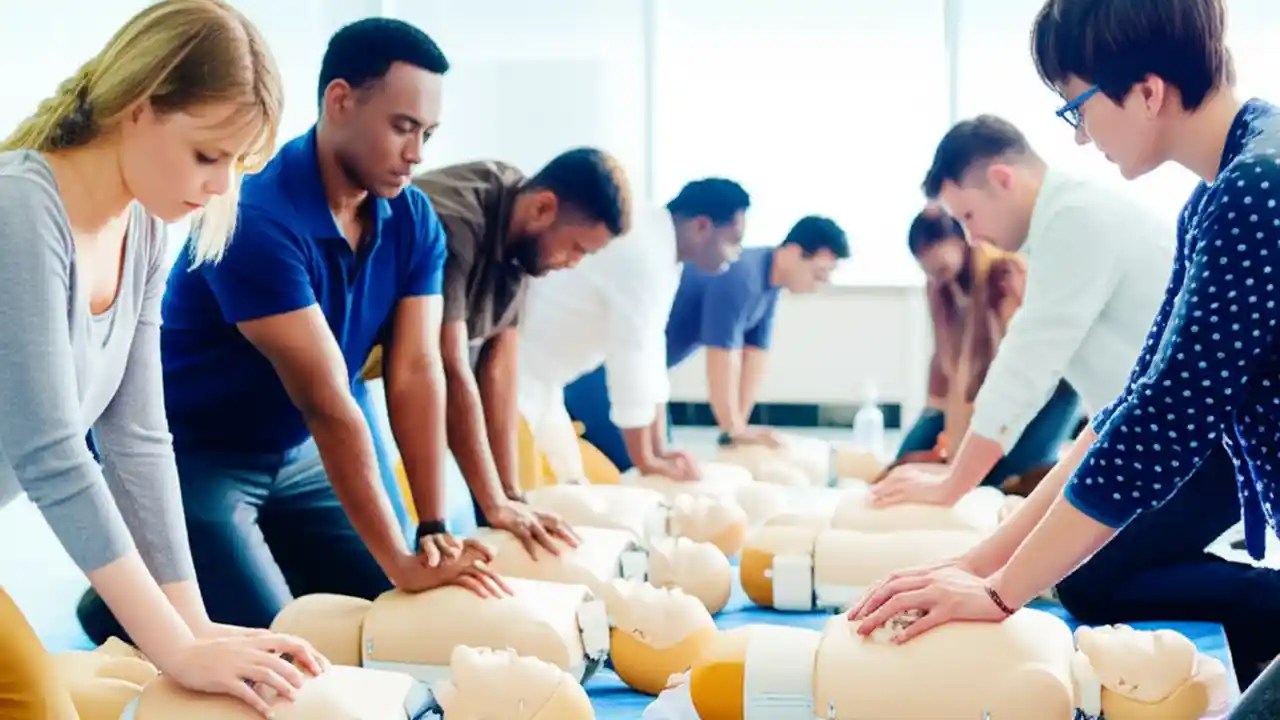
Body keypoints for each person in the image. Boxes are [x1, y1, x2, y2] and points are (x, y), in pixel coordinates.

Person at [851, 0, 1280, 689]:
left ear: (1146, 91)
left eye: (1075, 106)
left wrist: (998, 591)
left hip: (1207, 464)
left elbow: (1162, 424)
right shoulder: (1215, 196)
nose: (1079, 136)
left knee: (1093, 579)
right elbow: (1130, 407)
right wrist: (980, 566)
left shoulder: (1254, 189)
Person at [76, 18, 510, 646]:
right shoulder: (256, 217)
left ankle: (245, 554)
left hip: (301, 455)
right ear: (340, 101)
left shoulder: (414, 217)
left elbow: (415, 371)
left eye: (428, 134)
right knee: (281, 644)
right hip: (197, 457)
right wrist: (400, 560)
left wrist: (429, 531)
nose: (417, 154)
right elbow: (329, 400)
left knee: (390, 612)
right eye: (401, 127)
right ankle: (123, 600)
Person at [0, 1, 324, 717]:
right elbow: (53, 454)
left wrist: (193, 626)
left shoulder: (144, 225)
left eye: (236, 165)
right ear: (139, 110)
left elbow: (138, 439)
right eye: (208, 155)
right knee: (38, 705)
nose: (219, 187)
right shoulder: (19, 208)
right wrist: (173, 649)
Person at [412, 150, 630, 554]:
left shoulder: (523, 234)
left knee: (492, 520)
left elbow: (499, 366)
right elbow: (451, 367)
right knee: (404, 546)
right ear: (544, 208)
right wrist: (492, 503)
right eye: (576, 248)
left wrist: (510, 494)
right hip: (353, 369)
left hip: (417, 369)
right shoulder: (455, 221)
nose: (573, 264)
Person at [565, 213, 850, 471]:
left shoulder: (768, 289)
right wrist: (732, 428)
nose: (819, 284)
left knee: (671, 467)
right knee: (640, 469)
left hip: (645, 377)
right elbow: (722, 357)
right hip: (604, 373)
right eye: (818, 273)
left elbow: (754, 358)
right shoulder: (742, 275)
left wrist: (738, 429)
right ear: (792, 252)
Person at [516, 179, 753, 485]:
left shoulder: (662, 249)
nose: (735, 255)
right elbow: (633, 357)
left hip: (546, 385)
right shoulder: (645, 251)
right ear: (702, 226)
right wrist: (646, 461)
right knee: (540, 498)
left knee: (574, 487)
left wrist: (659, 449)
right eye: (733, 241)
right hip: (520, 381)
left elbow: (652, 352)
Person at [892, 205, 1081, 491]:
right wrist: (953, 442)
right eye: (929, 271)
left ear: (960, 241)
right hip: (987, 389)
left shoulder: (1003, 274)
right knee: (904, 460)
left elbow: (1021, 363)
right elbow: (951, 367)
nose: (936, 277)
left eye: (940, 268)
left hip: (1051, 386)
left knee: (1002, 478)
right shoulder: (940, 288)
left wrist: (971, 448)